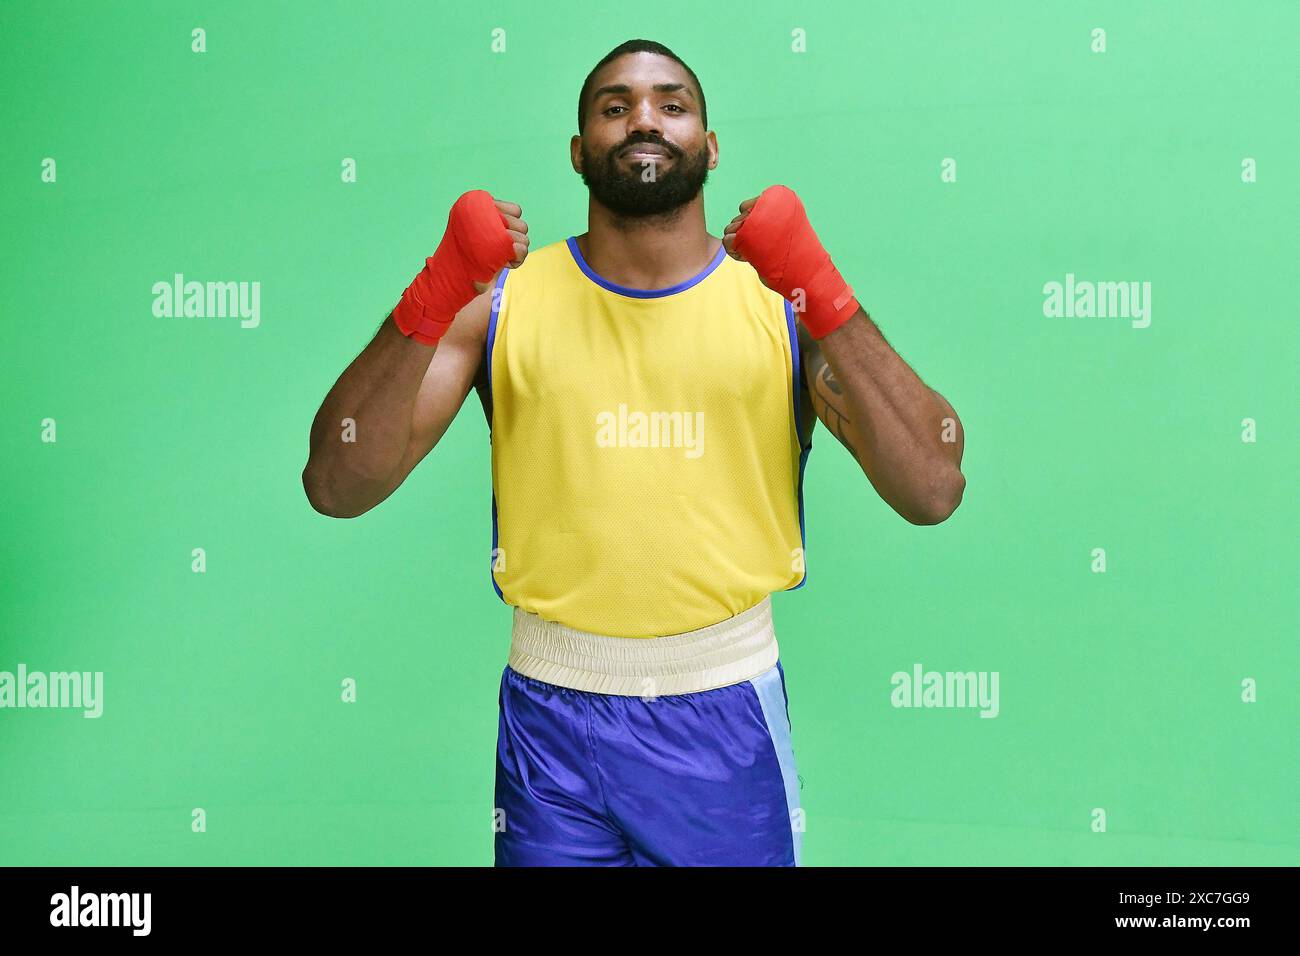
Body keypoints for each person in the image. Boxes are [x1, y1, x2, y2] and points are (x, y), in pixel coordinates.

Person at [302, 39, 966, 866]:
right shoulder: (501, 306)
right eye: (614, 107)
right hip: (550, 721)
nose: (643, 118)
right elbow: (335, 482)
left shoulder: (781, 311)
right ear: (579, 152)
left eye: (671, 104)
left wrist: (819, 286)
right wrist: (436, 292)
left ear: (711, 147)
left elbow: (934, 484)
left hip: (722, 718)